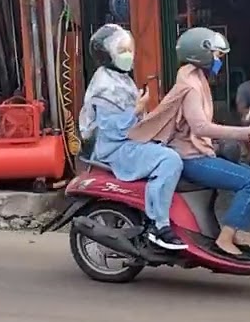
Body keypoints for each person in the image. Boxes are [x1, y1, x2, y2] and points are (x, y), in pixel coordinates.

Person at [129, 27, 250, 259]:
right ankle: (225, 239)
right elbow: (200, 127)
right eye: (217, 55)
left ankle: (235, 230)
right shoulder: (191, 86)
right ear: (201, 54)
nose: (219, 61)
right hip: (191, 157)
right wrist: (246, 132)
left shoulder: (194, 75)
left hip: (200, 149)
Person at [78, 23, 186, 250]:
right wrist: (138, 109)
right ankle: (159, 225)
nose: (129, 55)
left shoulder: (119, 78)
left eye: (129, 49)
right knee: (169, 160)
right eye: (122, 51)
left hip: (128, 140)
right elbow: (114, 131)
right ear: (107, 55)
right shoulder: (106, 87)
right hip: (116, 148)